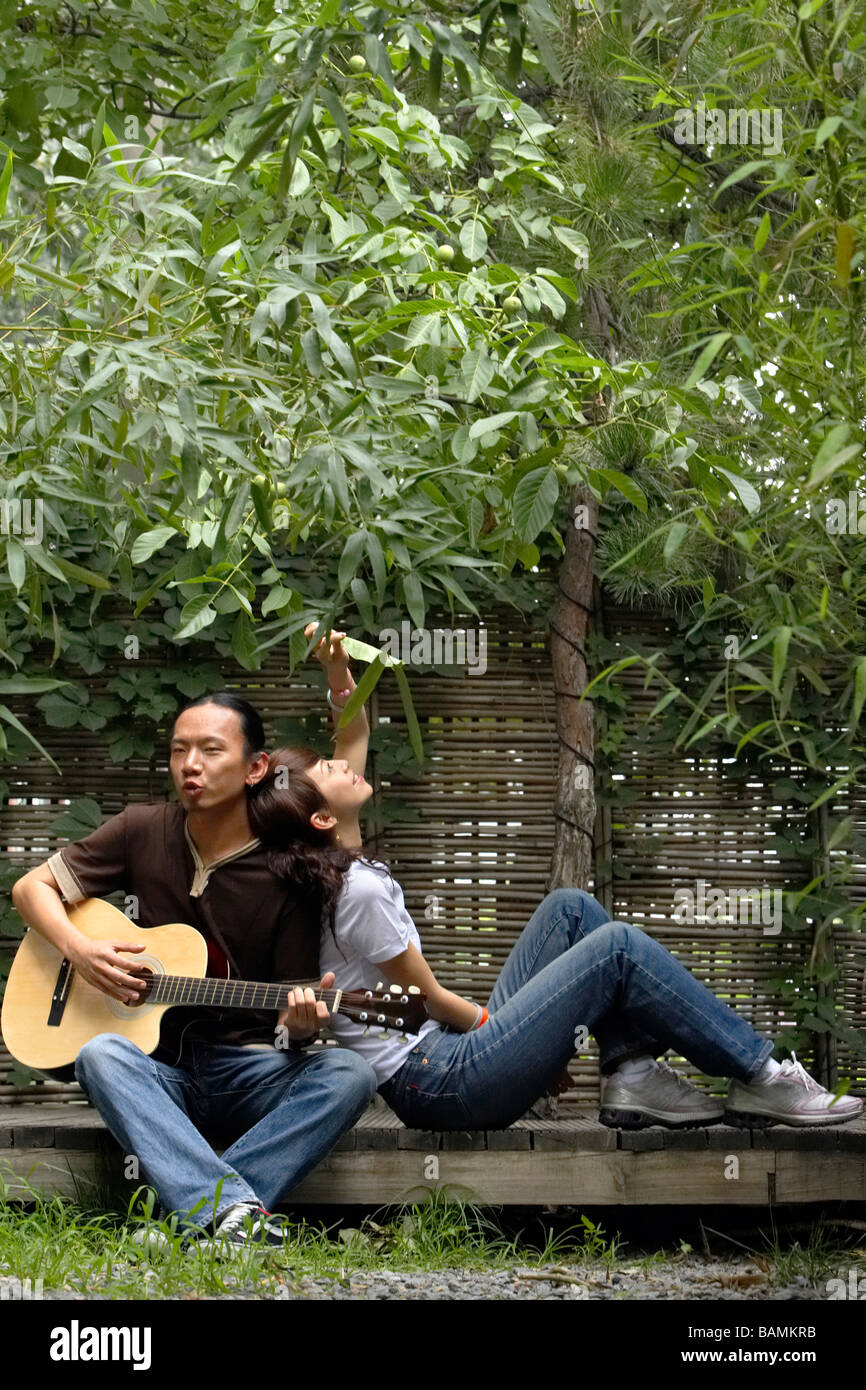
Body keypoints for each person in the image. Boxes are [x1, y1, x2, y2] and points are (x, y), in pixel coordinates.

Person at [245, 628, 863, 1133]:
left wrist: (335, 672)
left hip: (443, 1061)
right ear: (324, 816)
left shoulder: (335, 859)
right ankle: (761, 1074)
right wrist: (519, 1044)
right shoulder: (360, 891)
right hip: (438, 1081)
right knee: (618, 948)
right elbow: (431, 1000)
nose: (342, 760)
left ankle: (631, 1070)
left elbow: (351, 732)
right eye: (329, 769)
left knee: (570, 910)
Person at [10, 690, 377, 1248]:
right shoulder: (141, 830)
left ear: (256, 768)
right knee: (100, 1055)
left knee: (348, 1074)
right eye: (180, 751)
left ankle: (201, 1211)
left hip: (246, 1073)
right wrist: (80, 953)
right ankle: (232, 1212)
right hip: (159, 1075)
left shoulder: (289, 868)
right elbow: (30, 887)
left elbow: (289, 1017)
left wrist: (301, 1025)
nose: (191, 766)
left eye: (210, 750)